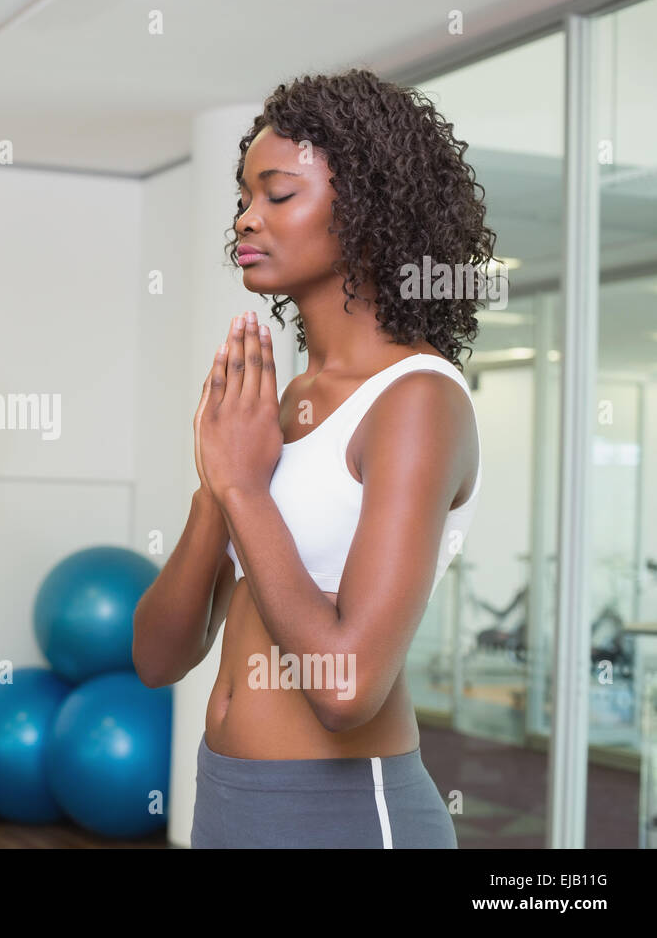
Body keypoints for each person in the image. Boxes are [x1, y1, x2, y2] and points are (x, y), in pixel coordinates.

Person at [133, 69, 493, 848]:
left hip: (344, 815)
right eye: (242, 199)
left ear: (366, 215)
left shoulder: (417, 401)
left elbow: (347, 688)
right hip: (227, 798)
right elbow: (158, 658)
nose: (245, 219)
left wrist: (242, 486)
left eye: (277, 195)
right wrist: (215, 489)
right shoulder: (279, 403)